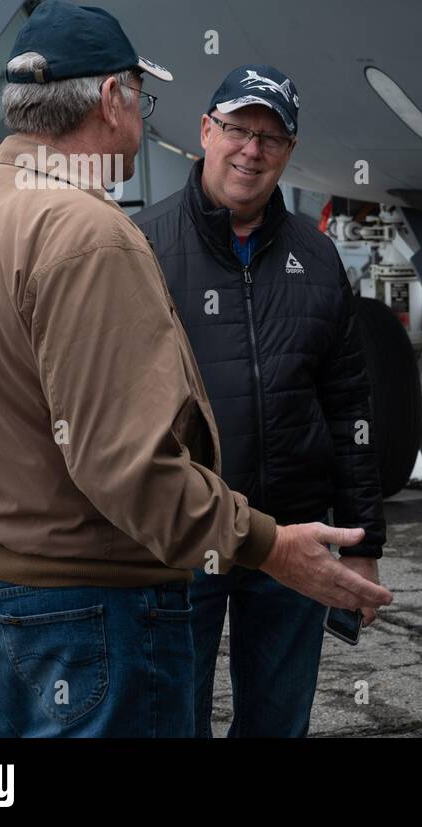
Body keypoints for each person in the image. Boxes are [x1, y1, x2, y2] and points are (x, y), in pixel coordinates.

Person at [0, 1, 390, 738]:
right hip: (85, 611)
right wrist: (267, 544)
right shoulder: (90, 232)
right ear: (110, 99)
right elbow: (124, 465)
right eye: (141, 97)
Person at [135, 64, 386, 738]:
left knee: (277, 723)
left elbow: (349, 404)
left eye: (271, 139)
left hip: (293, 535)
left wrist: (364, 540)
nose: (252, 150)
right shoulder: (142, 247)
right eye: (239, 129)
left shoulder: (318, 256)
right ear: (205, 131)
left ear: (290, 153)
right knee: (171, 719)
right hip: (182, 536)